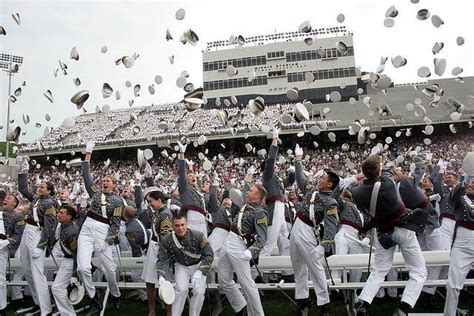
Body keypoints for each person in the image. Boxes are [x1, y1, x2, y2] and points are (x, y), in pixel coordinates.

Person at [352, 155, 427, 316]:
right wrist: (392, 167)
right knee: (419, 271)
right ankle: (404, 307)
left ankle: (363, 303)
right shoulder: (388, 184)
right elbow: (389, 174)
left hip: (382, 232)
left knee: (379, 271)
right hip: (403, 229)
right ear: (379, 171)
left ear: (363, 172)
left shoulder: (356, 192)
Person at [291, 144, 339, 316]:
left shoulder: (330, 202)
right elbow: (300, 179)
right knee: (298, 268)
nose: (320, 179)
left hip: (308, 231)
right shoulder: (312, 190)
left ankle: (324, 303)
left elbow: (332, 226)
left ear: (329, 184)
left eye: (323, 178)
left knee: (315, 268)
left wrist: (324, 245)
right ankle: (302, 299)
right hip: (296, 228)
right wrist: (298, 160)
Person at [76, 142, 122, 310]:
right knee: (83, 267)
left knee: (109, 268)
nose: (104, 182)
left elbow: (116, 224)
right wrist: (88, 153)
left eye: (108, 181)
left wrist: (108, 240)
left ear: (114, 185)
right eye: (103, 180)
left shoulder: (118, 201)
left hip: (103, 231)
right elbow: (86, 176)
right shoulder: (95, 192)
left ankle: (116, 294)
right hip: (87, 229)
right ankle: (94, 295)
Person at [218, 183, 268, 316]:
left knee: (246, 283)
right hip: (228, 240)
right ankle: (241, 308)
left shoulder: (260, 212)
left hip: (239, 245)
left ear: (257, 196)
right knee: (223, 279)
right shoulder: (246, 206)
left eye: (250, 191)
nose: (246, 192)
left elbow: (262, 238)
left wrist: (251, 251)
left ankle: (258, 314)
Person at [18, 156, 57, 315]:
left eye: (42, 187)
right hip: (27, 231)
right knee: (27, 269)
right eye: (39, 187)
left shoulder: (49, 203)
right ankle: (37, 301)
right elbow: (22, 189)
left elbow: (50, 227)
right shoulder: (36, 199)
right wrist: (23, 171)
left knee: (37, 272)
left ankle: (46, 309)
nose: (38, 189)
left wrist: (41, 246)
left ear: (49, 191)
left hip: (37, 233)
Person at [157, 213, 214, 316]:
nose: (180, 228)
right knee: (181, 291)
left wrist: (200, 270)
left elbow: (209, 255)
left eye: (183, 225)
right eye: (177, 225)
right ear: (172, 226)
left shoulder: (198, 236)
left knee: (199, 292)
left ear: (187, 224)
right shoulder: (166, 240)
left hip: (198, 265)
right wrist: (161, 275)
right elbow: (162, 259)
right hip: (181, 266)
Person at [443, 170, 474, 315]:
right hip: (462, 244)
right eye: (470, 181)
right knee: (453, 285)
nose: (472, 184)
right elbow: (453, 196)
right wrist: (466, 178)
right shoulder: (459, 198)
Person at [141, 188, 173, 316]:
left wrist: (162, 256)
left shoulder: (165, 214)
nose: (149, 204)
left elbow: (165, 238)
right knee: (149, 281)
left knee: (166, 281)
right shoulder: (158, 211)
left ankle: (169, 312)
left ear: (159, 200)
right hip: (153, 247)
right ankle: (152, 311)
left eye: (151, 201)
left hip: (160, 249)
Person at [51, 205, 79, 315]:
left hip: (71, 262)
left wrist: (75, 274)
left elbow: (76, 253)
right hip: (66, 260)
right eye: (58, 212)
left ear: (69, 217)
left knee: (57, 288)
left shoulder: (72, 232)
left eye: (61, 213)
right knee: (57, 288)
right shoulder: (62, 226)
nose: (58, 214)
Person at [176, 141, 209, 236]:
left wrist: (191, 167)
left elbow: (198, 185)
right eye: (190, 176)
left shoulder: (197, 189)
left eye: (194, 175)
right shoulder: (184, 188)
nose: (193, 177)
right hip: (192, 220)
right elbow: (181, 174)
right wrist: (182, 154)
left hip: (202, 222)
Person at [0, 193, 24, 315]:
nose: (5, 199)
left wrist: (4, 244)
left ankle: (2, 307)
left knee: (1, 280)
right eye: (5, 198)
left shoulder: (18, 217)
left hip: (4, 249)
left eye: (9, 198)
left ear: (14, 204)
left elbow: (17, 237)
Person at [123, 206, 148, 301]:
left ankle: (145, 296)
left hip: (141, 252)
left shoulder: (129, 230)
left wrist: (135, 261)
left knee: (135, 275)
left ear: (125, 215)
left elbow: (135, 248)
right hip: (146, 249)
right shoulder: (138, 221)